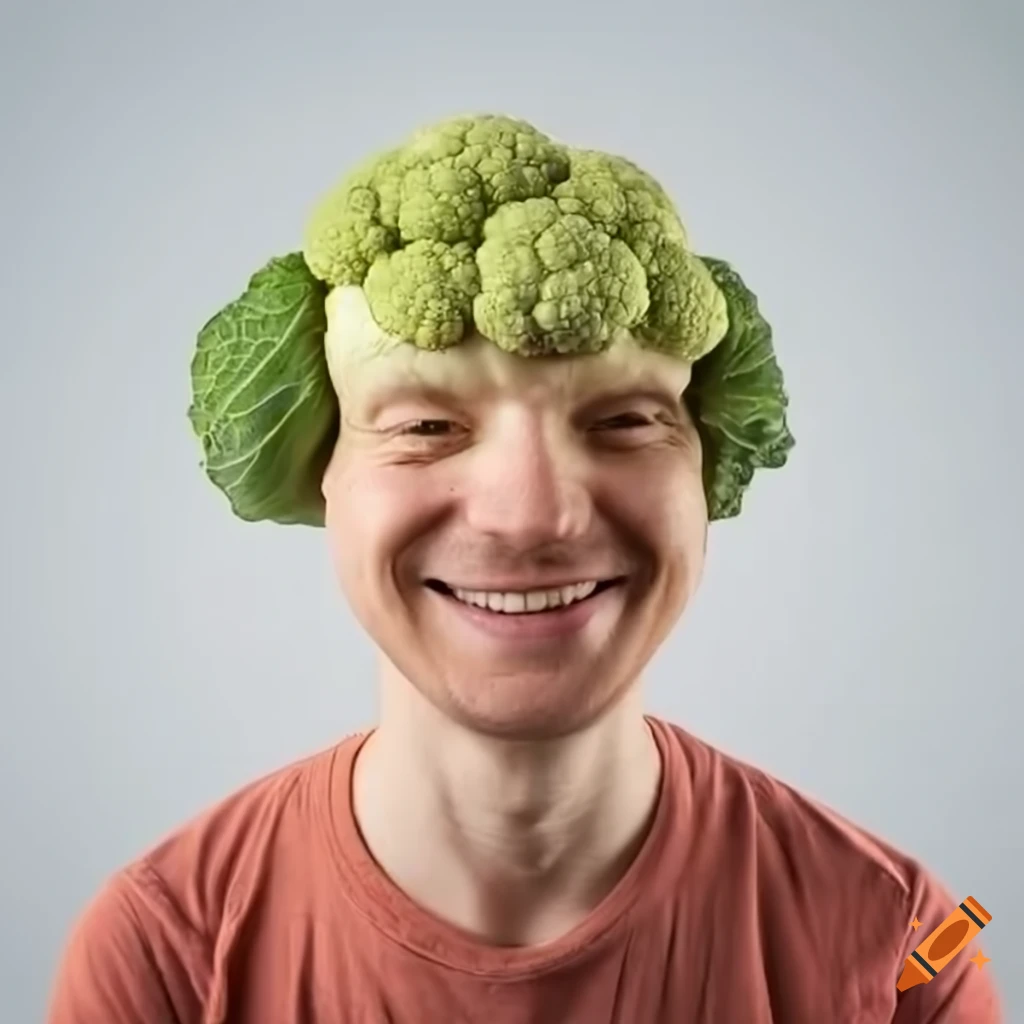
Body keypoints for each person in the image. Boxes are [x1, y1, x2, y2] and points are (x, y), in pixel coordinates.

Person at [47, 115, 1002, 1023]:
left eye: (625, 421)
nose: (531, 515)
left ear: (708, 464)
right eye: (426, 426)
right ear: (313, 467)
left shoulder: (913, 951)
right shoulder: (163, 955)